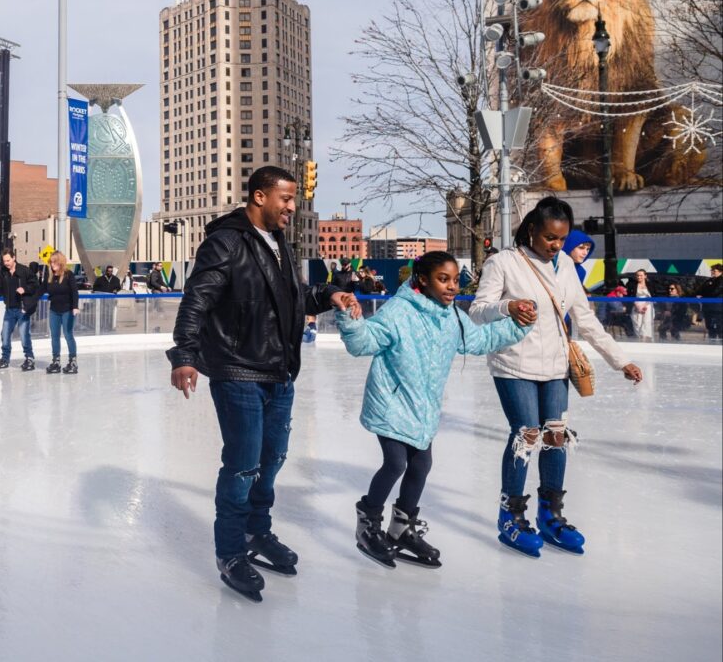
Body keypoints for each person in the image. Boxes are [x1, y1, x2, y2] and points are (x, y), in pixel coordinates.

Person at [167, 166, 345, 602]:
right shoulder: (226, 242)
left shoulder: (279, 244)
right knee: (243, 465)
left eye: (294, 201)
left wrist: (328, 297)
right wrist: (185, 356)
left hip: (278, 372)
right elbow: (197, 300)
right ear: (259, 197)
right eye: (285, 199)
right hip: (238, 369)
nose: (291, 208)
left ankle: (256, 533)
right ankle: (230, 552)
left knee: (271, 460)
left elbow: (295, 298)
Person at [469, 196, 642, 558]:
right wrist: (508, 306)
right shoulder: (503, 262)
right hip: (514, 364)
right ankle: (511, 518)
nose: (556, 246)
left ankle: (551, 515)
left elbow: (585, 318)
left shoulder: (564, 265)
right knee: (526, 435)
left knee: (555, 438)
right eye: (550, 237)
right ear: (532, 229)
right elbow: (478, 311)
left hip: (556, 367)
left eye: (561, 239)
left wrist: (620, 360)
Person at [336, 251, 531, 569]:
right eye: (444, 279)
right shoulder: (399, 312)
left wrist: (518, 325)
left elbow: (479, 340)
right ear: (423, 280)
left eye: (455, 280)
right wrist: (349, 318)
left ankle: (400, 529)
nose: (452, 286)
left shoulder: (452, 315)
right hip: (391, 403)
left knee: (421, 465)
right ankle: (368, 523)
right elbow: (363, 343)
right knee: (396, 463)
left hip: (422, 408)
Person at [0, 248, 39, 371]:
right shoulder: (3, 272)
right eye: (4, 261)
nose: (6, 263)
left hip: (22, 309)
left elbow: (36, 285)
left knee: (24, 335)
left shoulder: (24, 271)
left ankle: (29, 358)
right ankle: (5, 358)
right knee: (4, 334)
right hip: (9, 309)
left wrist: (25, 289)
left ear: (14, 258)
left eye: (8, 260)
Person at [44, 251, 79, 374]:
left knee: (68, 334)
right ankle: (56, 361)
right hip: (54, 310)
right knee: (54, 336)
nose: (52, 265)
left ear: (60, 262)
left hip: (67, 310)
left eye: (54, 262)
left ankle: (73, 361)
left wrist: (75, 307)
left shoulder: (69, 275)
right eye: (51, 262)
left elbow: (75, 291)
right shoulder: (50, 276)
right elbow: (41, 289)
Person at [695, 264, 723, 341]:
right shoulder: (708, 281)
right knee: (710, 327)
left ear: (721, 272)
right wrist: (699, 295)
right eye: (711, 270)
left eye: (714, 271)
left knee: (719, 327)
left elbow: (715, 292)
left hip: (718, 309)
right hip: (708, 308)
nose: (712, 272)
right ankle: (712, 342)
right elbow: (700, 290)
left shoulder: (721, 281)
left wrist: (704, 297)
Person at [628, 269, 655, 342]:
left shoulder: (650, 284)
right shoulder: (632, 284)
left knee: (646, 323)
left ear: (645, 276)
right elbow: (630, 296)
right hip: (636, 306)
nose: (639, 277)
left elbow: (652, 296)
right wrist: (637, 306)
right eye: (637, 275)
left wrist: (645, 305)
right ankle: (639, 340)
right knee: (637, 323)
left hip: (647, 306)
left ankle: (646, 340)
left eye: (641, 275)